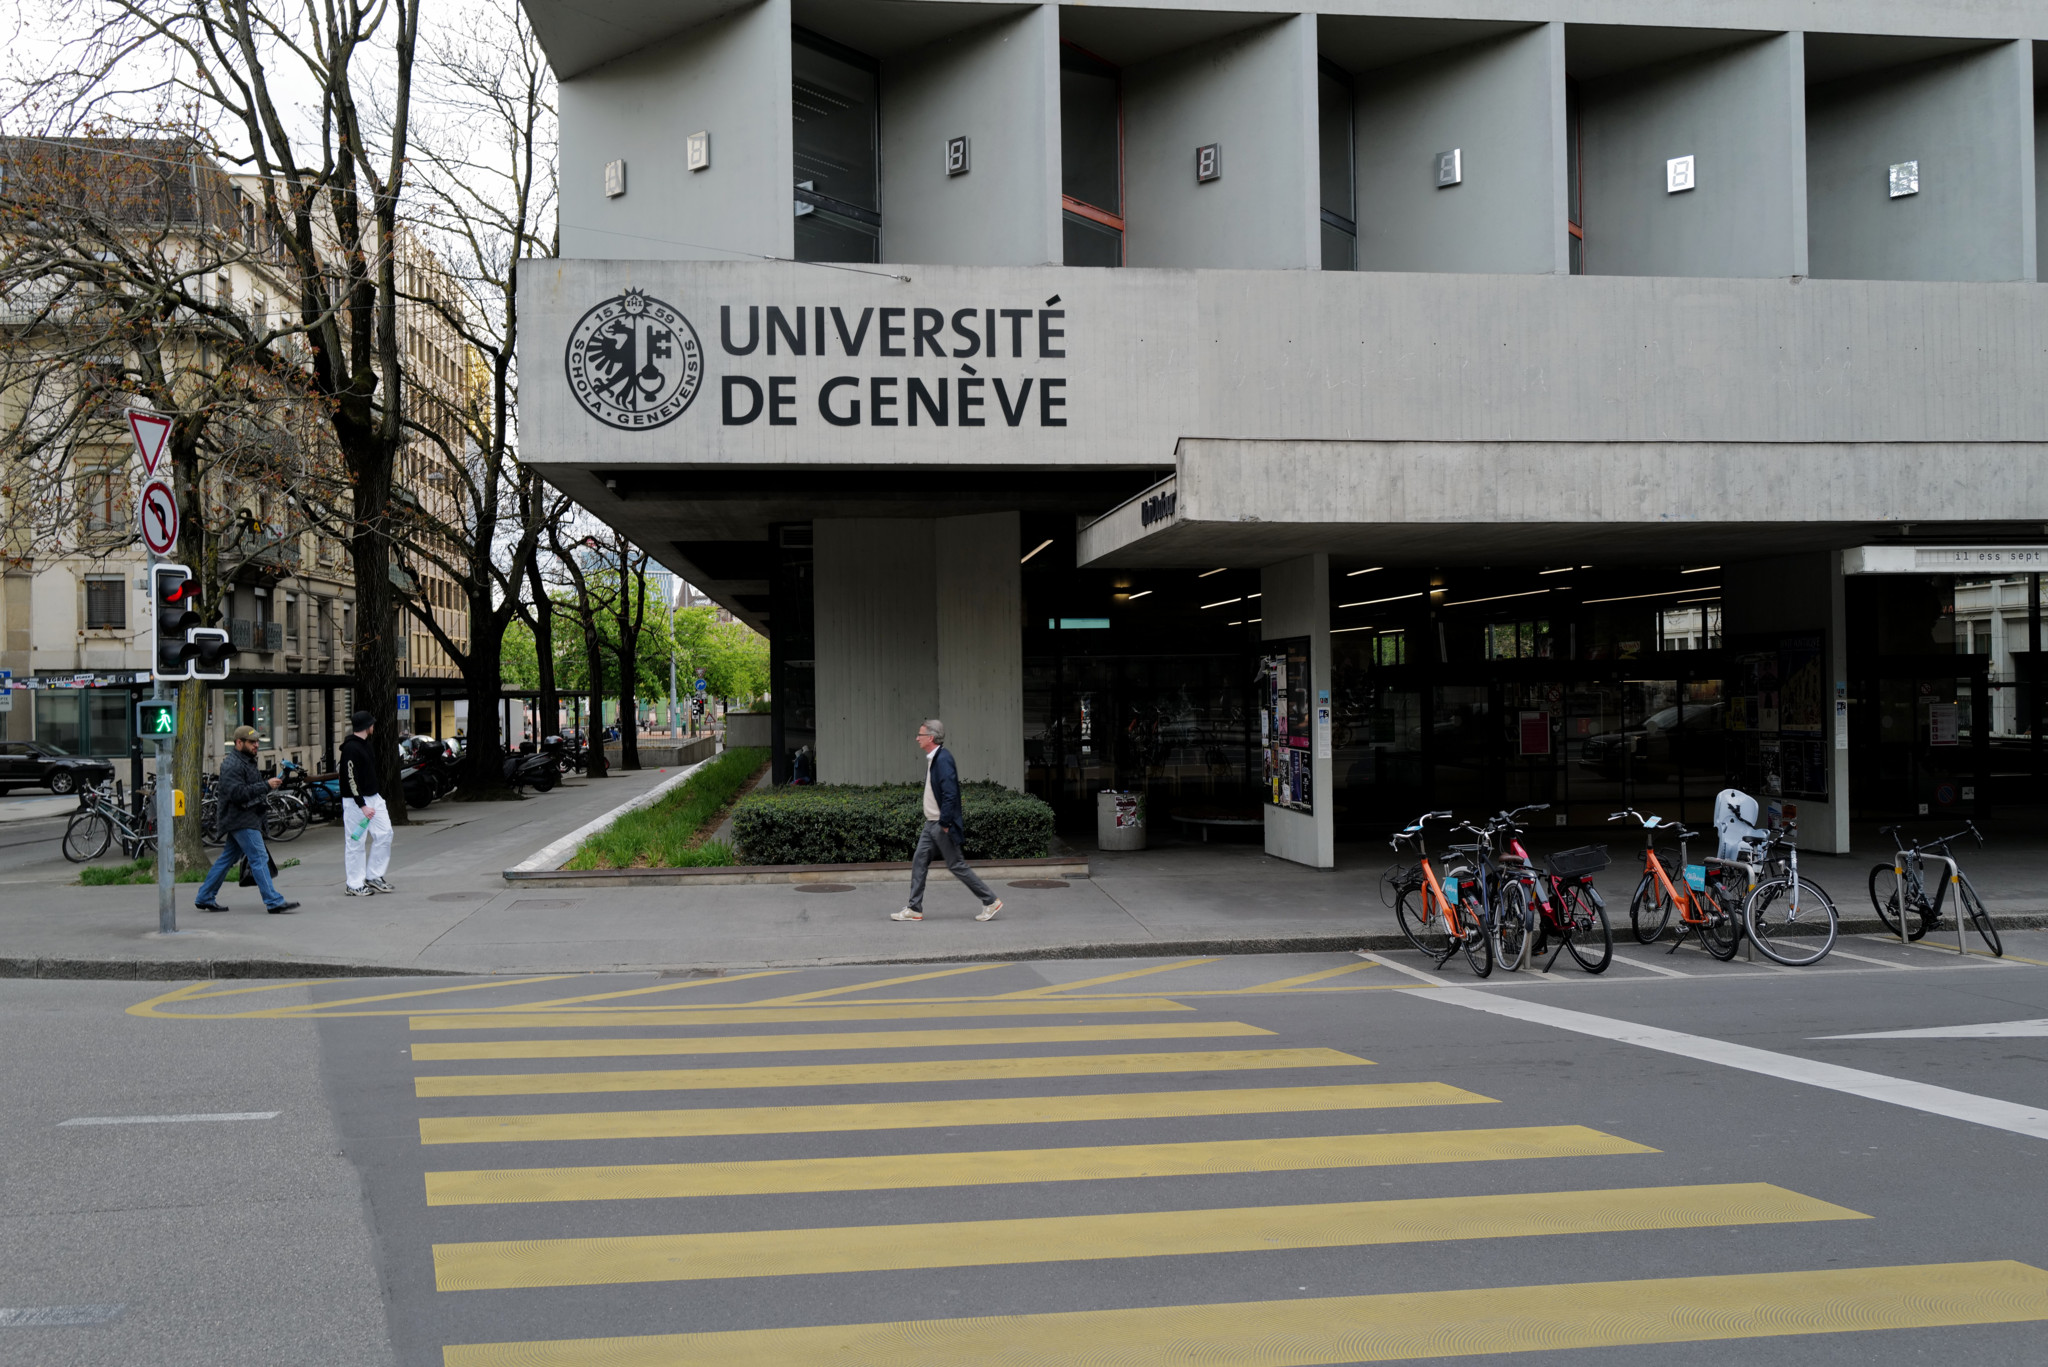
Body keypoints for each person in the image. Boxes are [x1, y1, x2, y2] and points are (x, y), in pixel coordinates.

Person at [891, 719, 1002, 923]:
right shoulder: (934, 758)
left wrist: (945, 823)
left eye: (920, 735)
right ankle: (914, 908)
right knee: (919, 861)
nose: (917, 738)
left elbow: (950, 794)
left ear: (930, 738)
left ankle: (991, 900)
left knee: (957, 865)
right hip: (930, 824)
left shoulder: (943, 759)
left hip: (940, 825)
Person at [194, 726, 299, 915]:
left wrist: (266, 785)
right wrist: (265, 785)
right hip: (241, 818)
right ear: (239, 743)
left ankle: (205, 896)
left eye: (257, 742)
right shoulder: (232, 764)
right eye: (252, 742)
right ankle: (273, 901)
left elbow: (248, 788)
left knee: (227, 859)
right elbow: (238, 794)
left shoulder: (245, 761)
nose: (256, 745)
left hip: (245, 816)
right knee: (259, 857)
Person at [340, 710, 394, 896]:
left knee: (385, 833)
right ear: (367, 726)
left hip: (373, 797)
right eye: (372, 724)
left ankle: (374, 876)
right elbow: (350, 778)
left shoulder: (365, 745)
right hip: (356, 803)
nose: (374, 726)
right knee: (355, 841)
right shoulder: (351, 749)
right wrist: (362, 804)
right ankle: (354, 884)